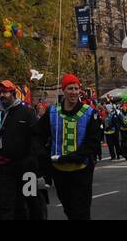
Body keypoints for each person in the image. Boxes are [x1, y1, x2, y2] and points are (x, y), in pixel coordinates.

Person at [38, 74, 102, 219]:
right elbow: (38, 134)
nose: (73, 92)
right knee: (69, 210)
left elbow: (93, 141)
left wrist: (75, 157)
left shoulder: (90, 113)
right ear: (63, 90)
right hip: (59, 171)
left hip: (81, 170)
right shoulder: (53, 112)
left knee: (81, 212)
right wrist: (44, 155)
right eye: (70, 88)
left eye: (76, 88)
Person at [0, 80, 42, 220]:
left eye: (5, 92)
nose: (2, 95)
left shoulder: (27, 112)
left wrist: (31, 158)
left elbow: (37, 137)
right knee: (6, 205)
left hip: (27, 169)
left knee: (31, 201)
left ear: (13, 93)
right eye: (0, 92)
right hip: (6, 168)